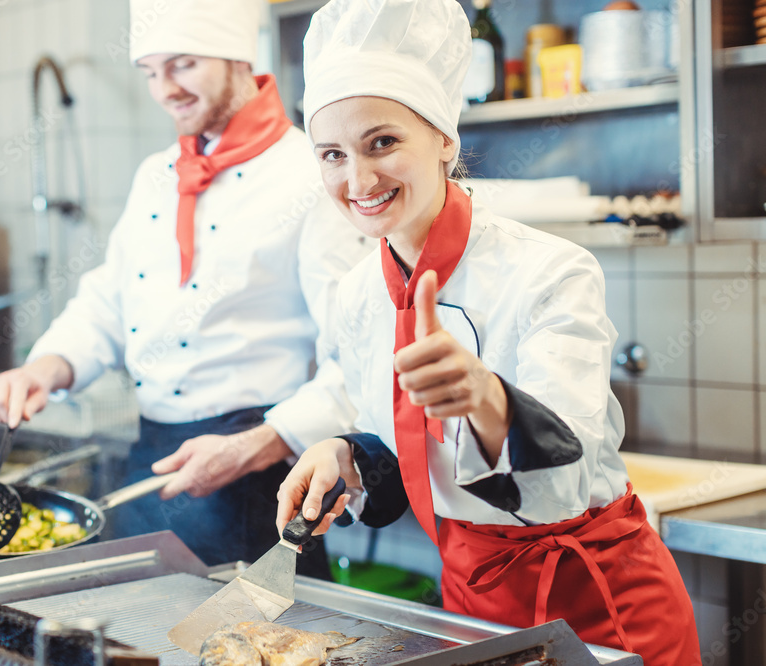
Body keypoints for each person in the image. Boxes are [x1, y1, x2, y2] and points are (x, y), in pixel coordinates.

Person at [275, 0, 701, 662]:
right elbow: (406, 446)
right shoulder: (358, 292)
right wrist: (346, 453)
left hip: (597, 602)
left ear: (444, 138)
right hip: (470, 600)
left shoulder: (551, 270)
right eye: (332, 154)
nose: (357, 179)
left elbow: (566, 469)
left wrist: (485, 396)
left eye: (382, 142)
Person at [0, 0, 370, 578]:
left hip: (259, 471)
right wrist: (44, 369)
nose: (165, 90)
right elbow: (108, 301)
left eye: (183, 64)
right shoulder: (156, 175)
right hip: (152, 460)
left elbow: (360, 352)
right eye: (150, 72)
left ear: (239, 57)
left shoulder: (310, 174)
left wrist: (257, 445)